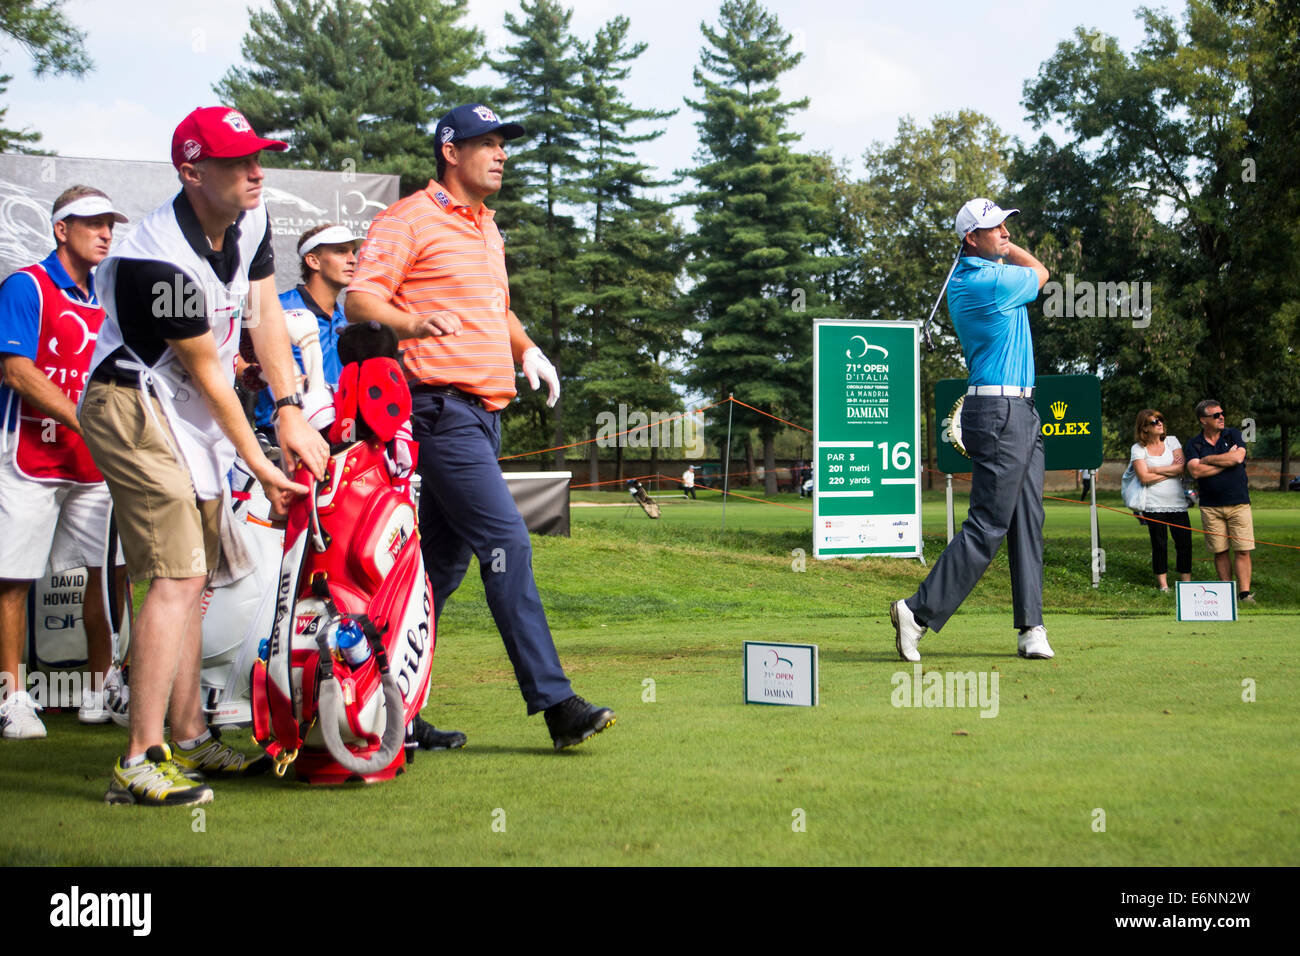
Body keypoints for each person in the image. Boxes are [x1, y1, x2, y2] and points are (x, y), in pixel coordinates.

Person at [346, 103, 616, 751]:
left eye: (502, 144)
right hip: (437, 412)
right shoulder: (410, 217)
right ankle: (556, 703)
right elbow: (360, 298)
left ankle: (380, 707)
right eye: (486, 143)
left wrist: (528, 351)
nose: (500, 154)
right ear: (450, 151)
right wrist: (412, 325)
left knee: (435, 573)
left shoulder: (486, 228)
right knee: (507, 544)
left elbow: (496, 309)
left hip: (482, 416)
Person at [79, 106, 328, 805]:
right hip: (131, 402)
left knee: (197, 579)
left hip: (189, 409)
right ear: (192, 172)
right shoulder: (155, 261)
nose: (256, 171)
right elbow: (214, 380)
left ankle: (189, 735)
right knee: (178, 574)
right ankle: (138, 760)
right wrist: (265, 462)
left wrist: (289, 406)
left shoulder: (250, 216)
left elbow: (261, 313)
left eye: (258, 156)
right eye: (235, 161)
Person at [889, 198, 1053, 661]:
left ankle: (1031, 627)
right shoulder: (985, 282)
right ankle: (917, 612)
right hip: (1001, 412)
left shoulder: (983, 274)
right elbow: (1041, 273)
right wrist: (1010, 248)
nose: (1005, 232)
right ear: (970, 238)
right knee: (988, 525)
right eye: (994, 227)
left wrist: (997, 243)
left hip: (1021, 408)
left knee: (1027, 520)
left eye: (1006, 224)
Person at [0, 186, 127, 738]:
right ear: (61, 229)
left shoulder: (109, 294)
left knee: (109, 575)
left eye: (109, 224)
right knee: (13, 579)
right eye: (92, 223)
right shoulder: (25, 285)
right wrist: (86, 418)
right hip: (28, 452)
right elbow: (17, 371)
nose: (104, 233)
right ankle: (12, 696)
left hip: (91, 461)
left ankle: (103, 689)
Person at [247, 223, 361, 439]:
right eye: (340, 251)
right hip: (283, 435)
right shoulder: (277, 308)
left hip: (340, 435)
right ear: (313, 261)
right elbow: (237, 360)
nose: (352, 259)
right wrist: (253, 373)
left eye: (352, 252)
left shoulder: (349, 320)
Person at [1185, 398, 1255, 604]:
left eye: (1222, 413)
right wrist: (1225, 460)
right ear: (1203, 420)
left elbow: (1237, 459)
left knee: (1242, 549)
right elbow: (1196, 471)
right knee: (1220, 550)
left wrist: (1207, 459)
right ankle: (1226, 595)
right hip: (1210, 507)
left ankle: (1244, 594)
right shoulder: (1194, 443)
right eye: (1216, 415)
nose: (1221, 417)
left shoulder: (1233, 434)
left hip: (1238, 503)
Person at [1129, 408, 1192, 591]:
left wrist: (1154, 470)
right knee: (1159, 544)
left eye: (1161, 420)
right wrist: (1167, 471)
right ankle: (1163, 585)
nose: (1160, 424)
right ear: (1145, 427)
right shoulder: (1138, 448)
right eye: (1155, 422)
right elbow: (1143, 477)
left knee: (1184, 544)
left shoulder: (1172, 441)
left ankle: (1186, 584)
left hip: (1178, 504)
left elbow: (1181, 468)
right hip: (1153, 504)